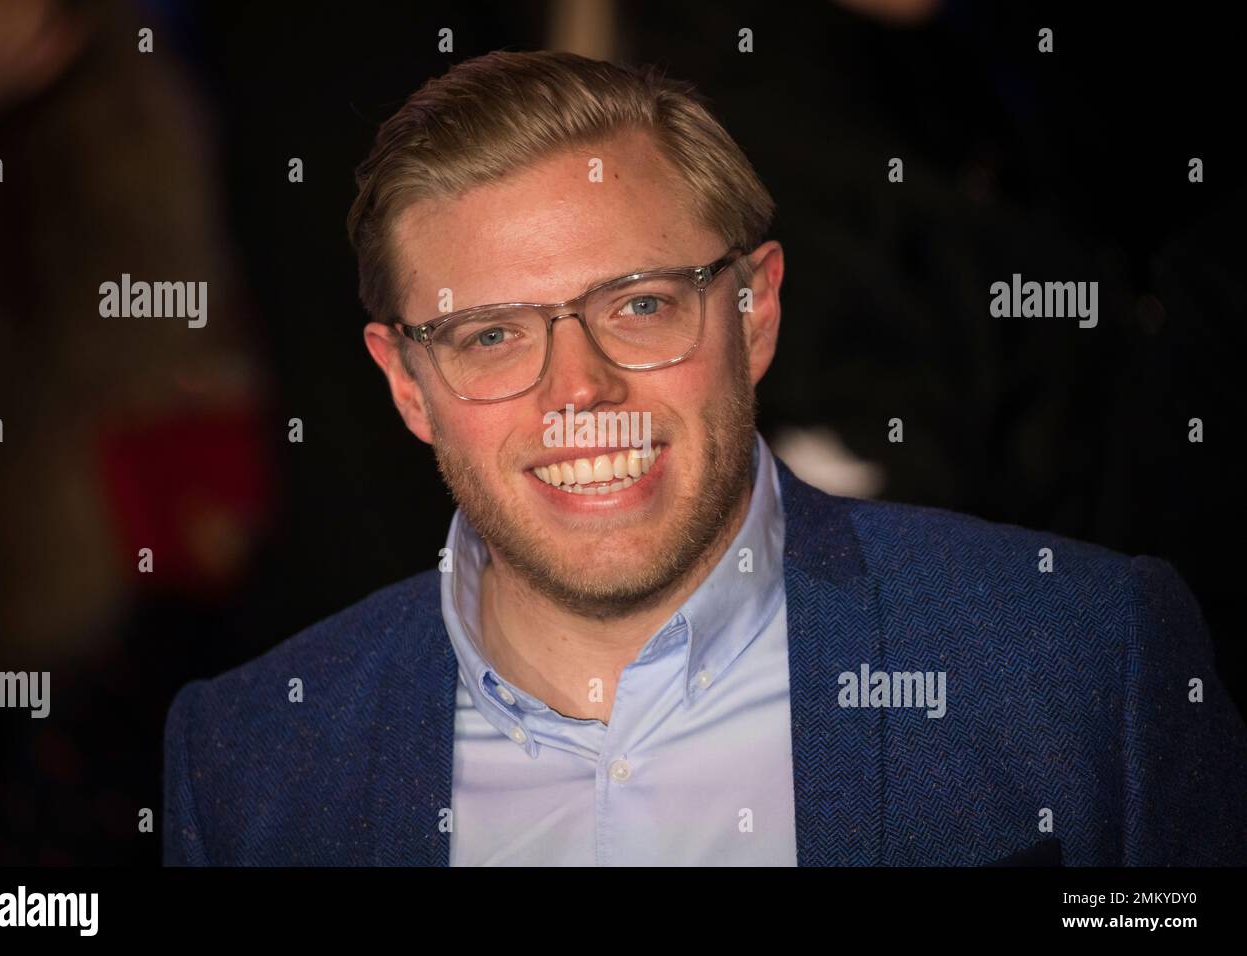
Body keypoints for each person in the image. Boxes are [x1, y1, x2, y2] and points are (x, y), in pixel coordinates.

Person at [164, 49, 1247, 866]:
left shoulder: (1086, 665)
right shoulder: (249, 761)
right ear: (408, 384)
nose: (577, 390)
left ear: (755, 311)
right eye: (491, 334)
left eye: (638, 305)